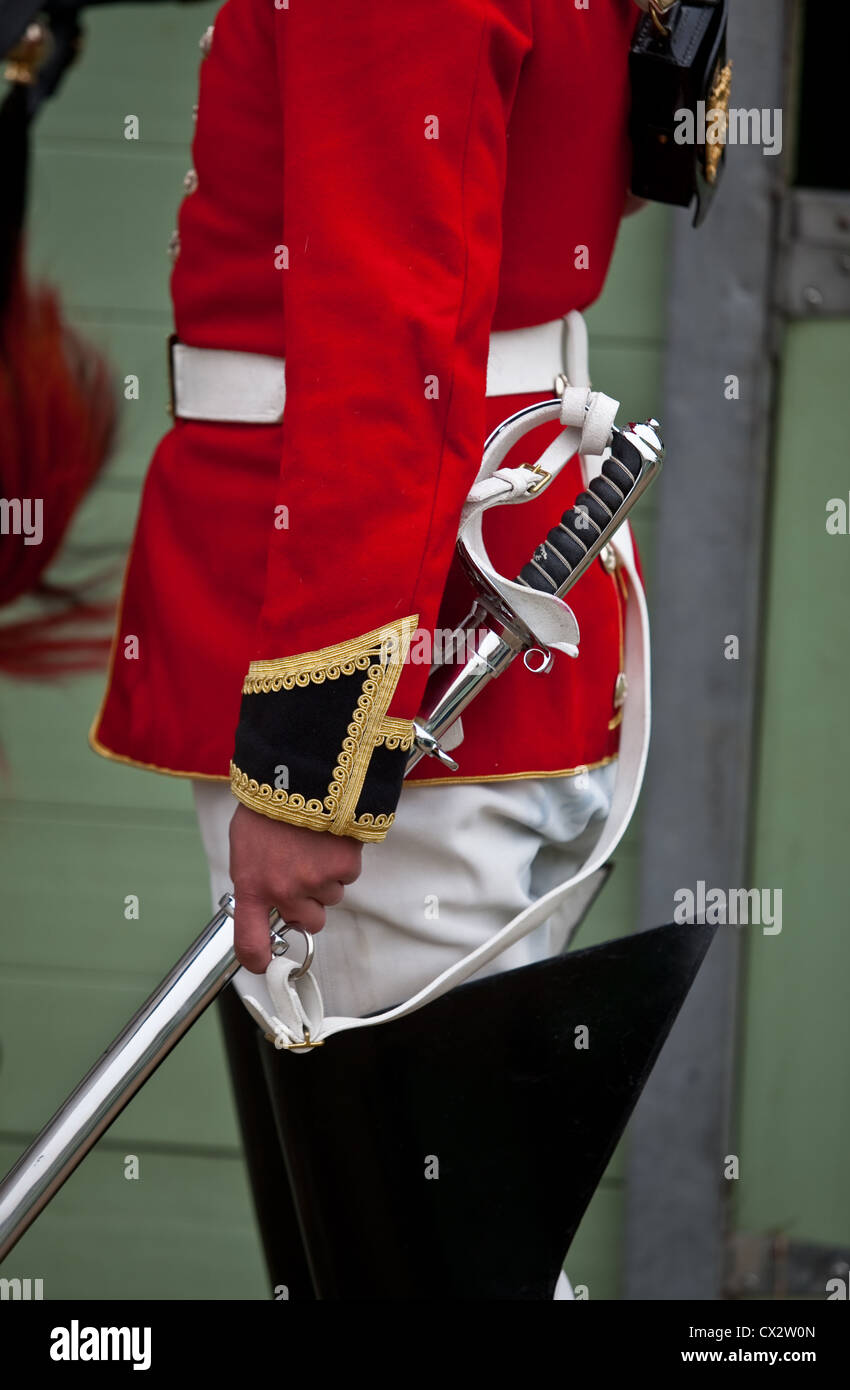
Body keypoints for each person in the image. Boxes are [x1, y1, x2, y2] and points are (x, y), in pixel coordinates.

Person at [88, 0, 658, 1297]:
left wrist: (315, 768)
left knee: (416, 1255)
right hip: (472, 571)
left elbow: (385, 355)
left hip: (405, 631)